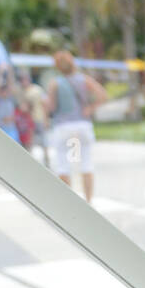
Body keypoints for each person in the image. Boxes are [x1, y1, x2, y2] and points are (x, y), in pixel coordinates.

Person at [45, 50, 107, 204]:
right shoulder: (84, 80)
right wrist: (90, 108)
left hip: (63, 126)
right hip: (83, 125)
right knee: (86, 163)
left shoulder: (55, 83)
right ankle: (89, 200)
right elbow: (102, 95)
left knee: (63, 165)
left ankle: (69, 203)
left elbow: (51, 107)